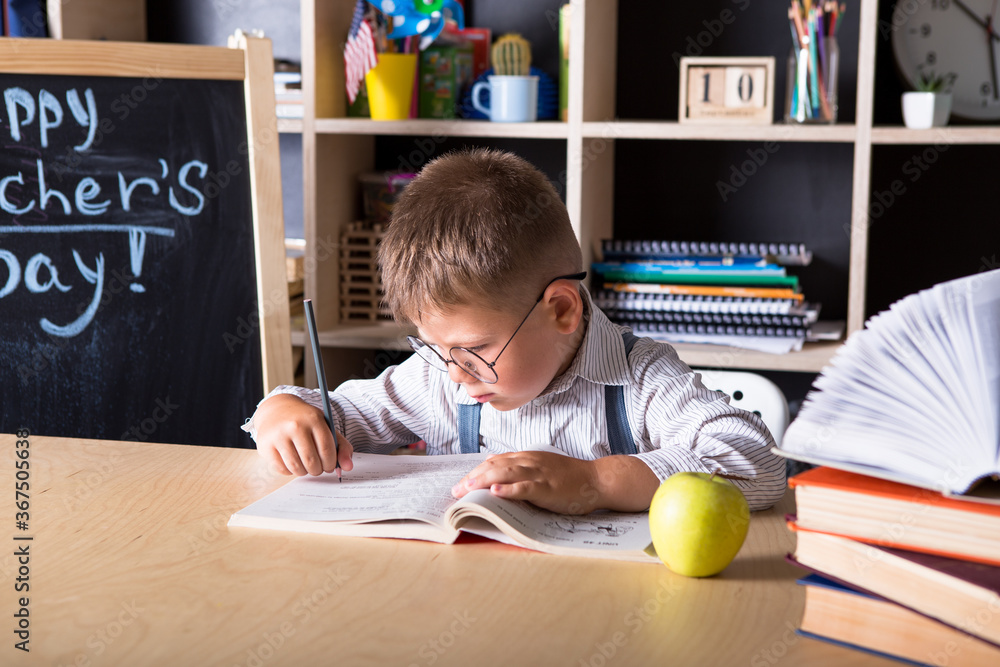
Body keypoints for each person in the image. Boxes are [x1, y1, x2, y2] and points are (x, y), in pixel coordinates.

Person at [244, 148, 786, 514]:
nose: (456, 375)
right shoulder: (440, 382)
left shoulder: (640, 379)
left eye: (474, 349)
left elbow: (756, 463)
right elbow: (337, 412)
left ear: (561, 311)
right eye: (436, 350)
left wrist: (595, 481)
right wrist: (283, 413)